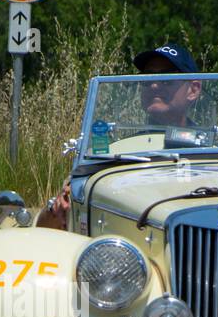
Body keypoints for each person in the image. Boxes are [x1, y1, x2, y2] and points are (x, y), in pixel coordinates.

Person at [37, 44, 202, 229]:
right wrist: (59, 205)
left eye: (167, 79)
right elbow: (52, 221)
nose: (154, 85)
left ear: (193, 89)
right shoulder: (121, 152)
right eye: (147, 79)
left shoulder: (214, 152)